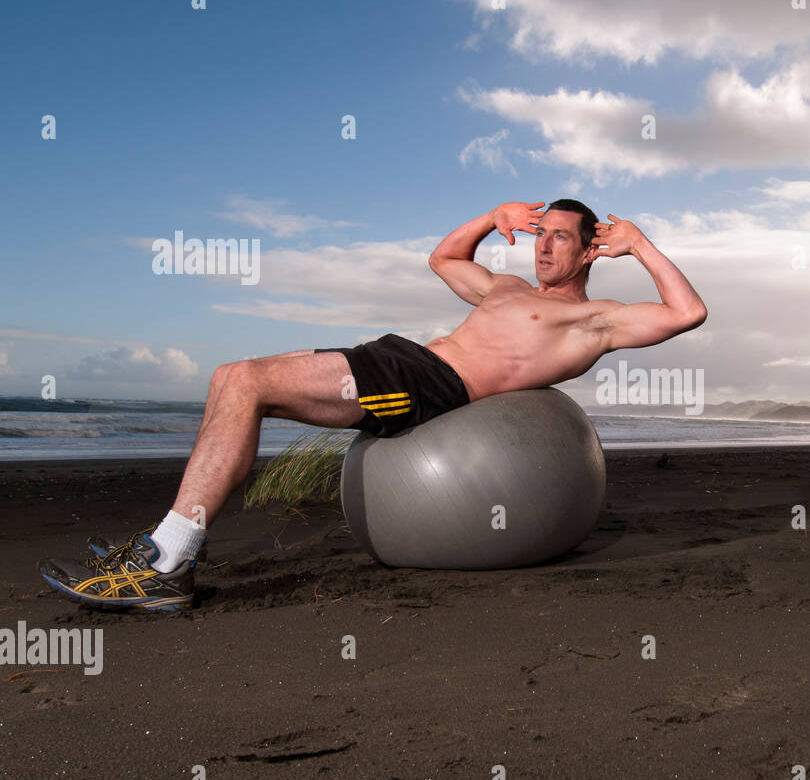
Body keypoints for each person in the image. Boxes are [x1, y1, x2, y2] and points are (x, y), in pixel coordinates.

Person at [38, 199, 707, 611]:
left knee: (246, 382)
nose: (544, 243)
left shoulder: (593, 318)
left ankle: (166, 563)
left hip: (424, 388)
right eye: (540, 233)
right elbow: (442, 258)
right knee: (227, 376)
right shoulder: (503, 286)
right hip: (400, 358)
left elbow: (688, 311)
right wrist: (491, 217)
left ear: (591, 247)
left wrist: (640, 243)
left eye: (562, 235)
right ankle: (165, 551)